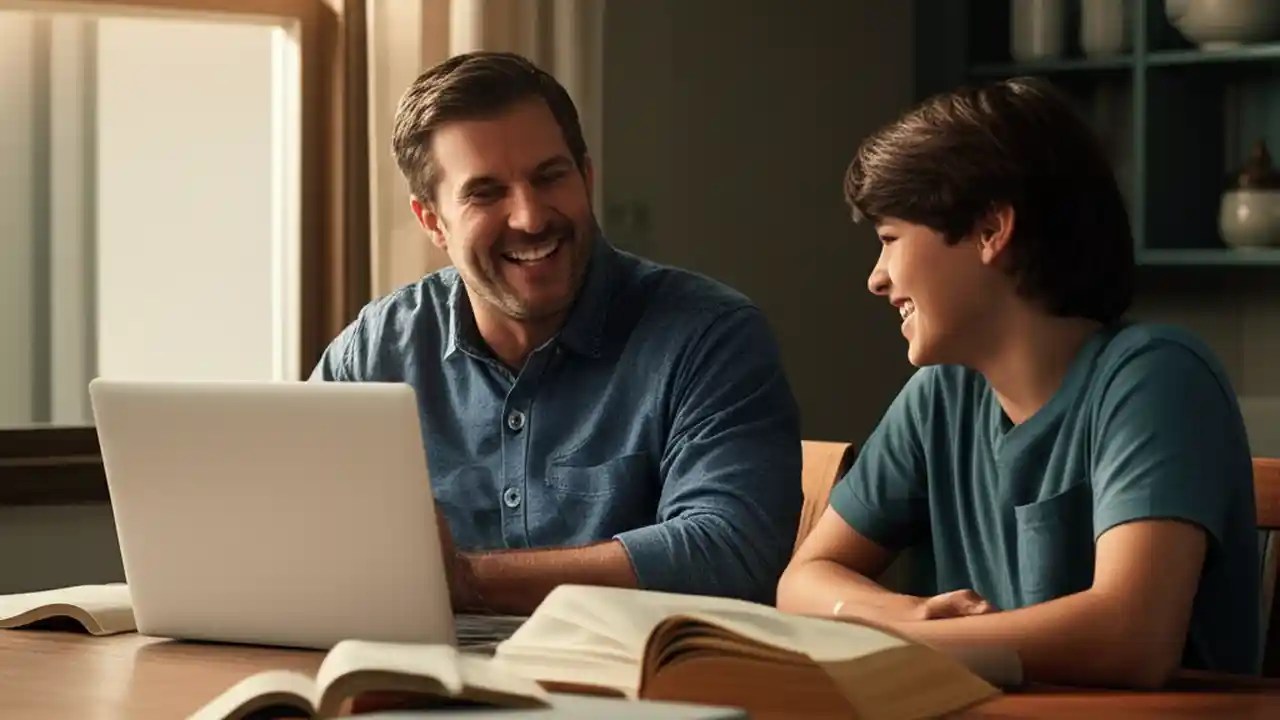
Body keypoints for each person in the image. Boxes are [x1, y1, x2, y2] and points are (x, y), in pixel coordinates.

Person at [777, 77, 1260, 688]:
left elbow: (1131, 638)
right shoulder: (940, 396)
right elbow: (803, 579)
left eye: (890, 240)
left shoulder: (1156, 379)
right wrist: (910, 612)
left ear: (990, 231)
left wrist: (912, 639)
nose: (877, 278)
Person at [311, 51, 801, 615]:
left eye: (550, 177)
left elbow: (734, 552)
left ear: (586, 177)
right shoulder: (376, 350)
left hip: (637, 691)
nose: (530, 217)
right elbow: (297, 525)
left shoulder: (710, 336)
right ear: (432, 222)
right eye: (486, 193)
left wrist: (466, 581)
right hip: (414, 686)